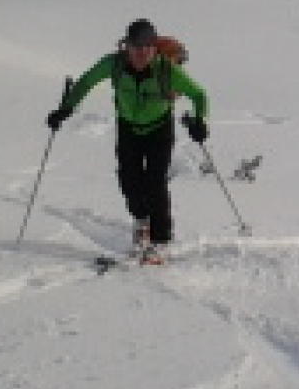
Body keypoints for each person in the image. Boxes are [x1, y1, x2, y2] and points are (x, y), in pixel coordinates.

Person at [45, 18, 209, 263]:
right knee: (129, 180)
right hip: (128, 129)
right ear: (126, 46)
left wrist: (199, 121)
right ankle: (141, 223)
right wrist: (66, 108)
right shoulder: (114, 65)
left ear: (154, 48)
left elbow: (199, 95)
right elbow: (86, 81)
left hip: (159, 130)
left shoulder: (167, 69)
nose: (142, 52)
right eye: (136, 46)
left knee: (155, 183)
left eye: (147, 46)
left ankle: (161, 241)